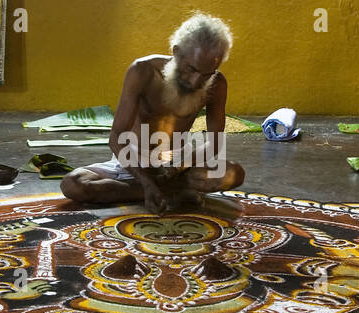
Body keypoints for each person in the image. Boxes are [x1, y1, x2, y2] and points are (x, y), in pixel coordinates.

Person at [61, 13, 245, 213]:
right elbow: (116, 137)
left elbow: (215, 141)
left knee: (234, 173)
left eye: (206, 74)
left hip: (178, 165)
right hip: (133, 161)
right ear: (177, 52)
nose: (195, 82)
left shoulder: (217, 84)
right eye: (191, 69)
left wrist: (179, 167)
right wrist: (146, 182)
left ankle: (152, 190)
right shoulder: (142, 72)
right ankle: (173, 192)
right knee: (73, 184)